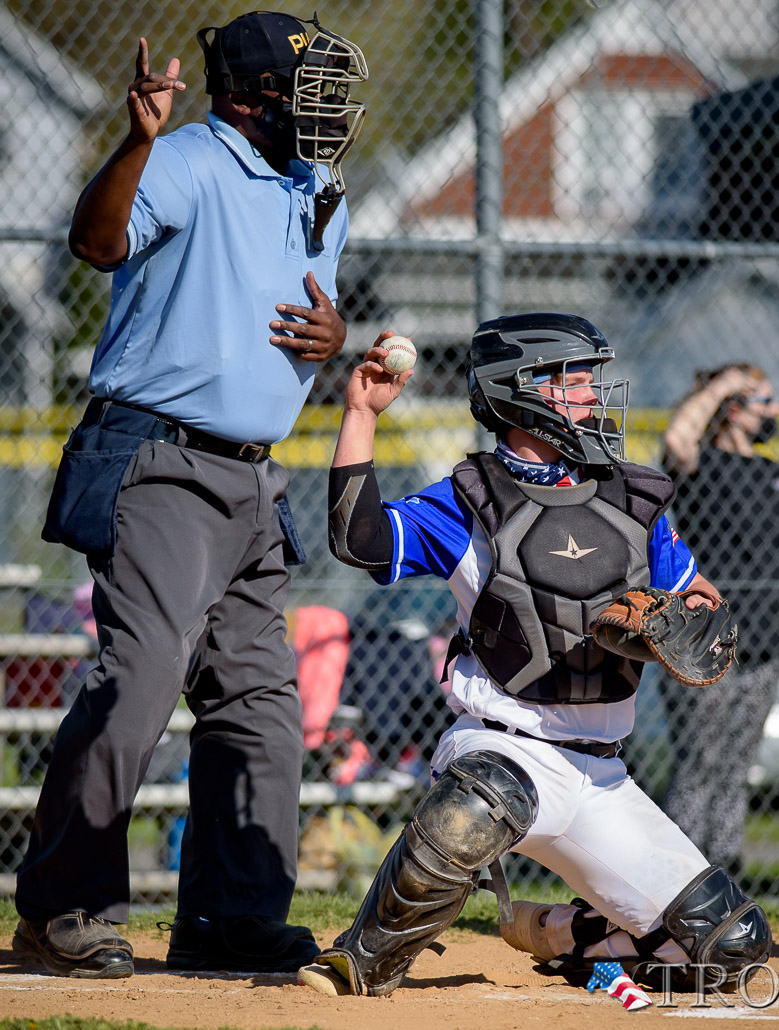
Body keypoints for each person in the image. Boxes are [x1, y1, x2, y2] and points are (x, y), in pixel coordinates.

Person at [12, 11, 368, 979]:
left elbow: (290, 307)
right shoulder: (187, 158)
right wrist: (136, 143)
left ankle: (231, 919)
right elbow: (98, 244)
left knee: (260, 704)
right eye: (315, 90)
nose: (333, 110)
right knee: (141, 678)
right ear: (254, 95)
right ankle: (61, 907)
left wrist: (336, 339)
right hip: (158, 458)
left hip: (254, 474)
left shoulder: (318, 186)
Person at [297, 313, 771, 998]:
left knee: (730, 949)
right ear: (517, 392)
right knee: (478, 808)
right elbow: (361, 540)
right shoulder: (471, 499)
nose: (592, 396)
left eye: (590, 381)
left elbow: (698, 597)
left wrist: (685, 621)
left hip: (603, 779)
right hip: (501, 749)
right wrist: (360, 415)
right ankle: (361, 957)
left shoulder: (633, 497)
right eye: (574, 382)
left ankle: (566, 936)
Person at [660, 364, 779, 876]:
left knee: (737, 769)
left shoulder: (775, 473)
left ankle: (724, 879)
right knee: (699, 764)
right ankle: (677, 878)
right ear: (736, 409)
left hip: (763, 642)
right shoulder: (703, 464)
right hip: (704, 639)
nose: (776, 412)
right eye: (765, 401)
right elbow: (677, 438)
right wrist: (722, 384)